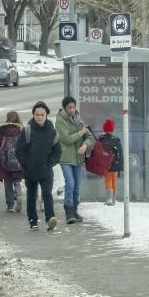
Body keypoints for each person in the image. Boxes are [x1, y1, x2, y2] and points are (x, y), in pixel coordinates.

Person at [15, 101, 61, 231]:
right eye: (37, 114)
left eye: (42, 114)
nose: (39, 117)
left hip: (46, 170)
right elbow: (19, 150)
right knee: (31, 196)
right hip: (31, 171)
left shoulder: (52, 131)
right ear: (33, 115)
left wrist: (50, 163)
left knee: (47, 194)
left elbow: (57, 151)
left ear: (46, 115)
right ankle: (33, 221)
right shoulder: (27, 130)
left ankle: (50, 218)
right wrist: (26, 165)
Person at [56, 96, 95, 224]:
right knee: (70, 183)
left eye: (73, 107)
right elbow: (66, 139)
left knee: (77, 186)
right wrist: (81, 133)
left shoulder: (79, 120)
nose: (72, 110)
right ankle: (69, 212)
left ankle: (75, 210)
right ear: (64, 108)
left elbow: (90, 137)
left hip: (78, 159)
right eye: (69, 107)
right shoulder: (60, 121)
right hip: (66, 158)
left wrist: (85, 145)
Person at [0, 111, 25, 213]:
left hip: (4, 163)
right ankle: (18, 195)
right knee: (17, 182)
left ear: (7, 119)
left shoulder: (3, 130)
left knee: (8, 184)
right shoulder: (21, 130)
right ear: (18, 119)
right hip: (18, 163)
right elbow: (25, 147)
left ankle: (10, 206)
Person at [98, 119, 123, 206]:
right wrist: (120, 166)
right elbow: (120, 154)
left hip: (106, 165)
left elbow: (99, 153)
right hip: (115, 165)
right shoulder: (117, 140)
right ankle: (114, 200)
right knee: (114, 181)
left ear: (104, 129)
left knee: (108, 180)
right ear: (113, 130)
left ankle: (108, 200)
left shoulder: (101, 139)